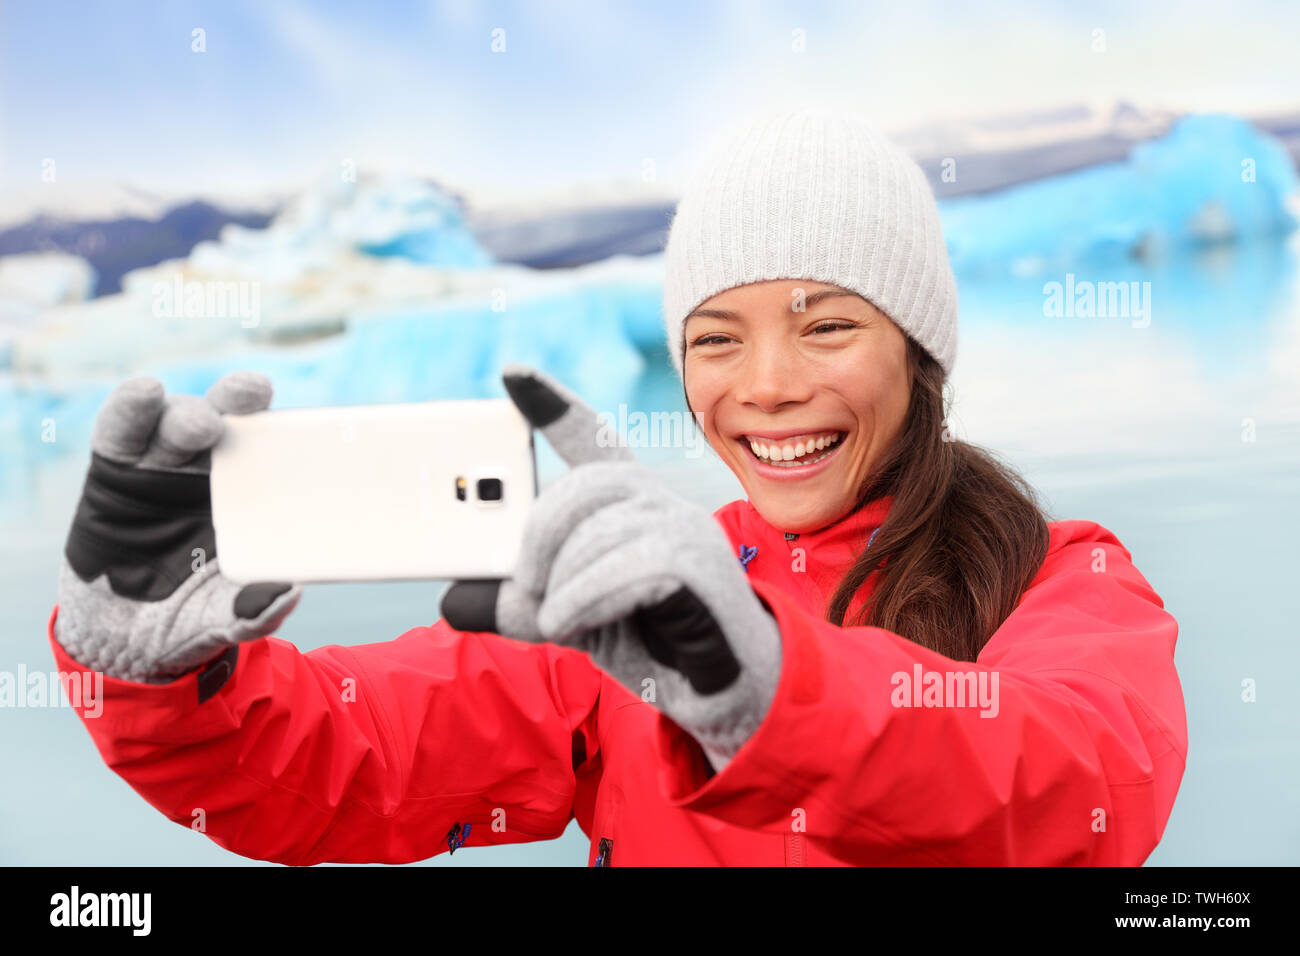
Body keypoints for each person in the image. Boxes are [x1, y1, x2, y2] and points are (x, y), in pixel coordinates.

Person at [48, 106, 1188, 866]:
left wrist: (772, 689)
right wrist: (150, 675)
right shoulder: (630, 602)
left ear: (919, 355)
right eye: (715, 340)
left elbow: (1088, 785)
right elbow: (346, 763)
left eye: (828, 326)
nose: (770, 385)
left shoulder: (1061, 572)